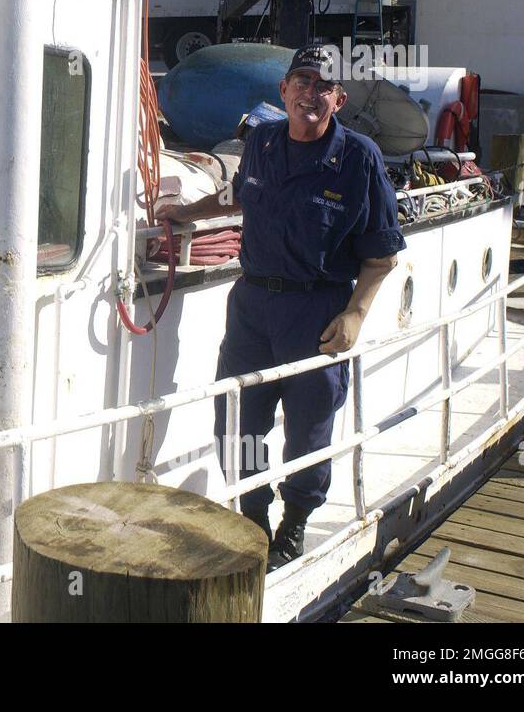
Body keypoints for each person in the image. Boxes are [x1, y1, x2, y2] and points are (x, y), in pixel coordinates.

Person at [154, 45, 404, 569]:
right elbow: (240, 197)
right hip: (251, 308)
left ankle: (293, 526)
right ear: (282, 90)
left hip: (317, 312)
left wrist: (355, 314)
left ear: (338, 99)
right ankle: (253, 516)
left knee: (308, 427)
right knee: (237, 421)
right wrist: (185, 212)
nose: (309, 93)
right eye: (301, 81)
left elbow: (380, 257)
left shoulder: (359, 158)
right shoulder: (263, 141)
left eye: (322, 86)